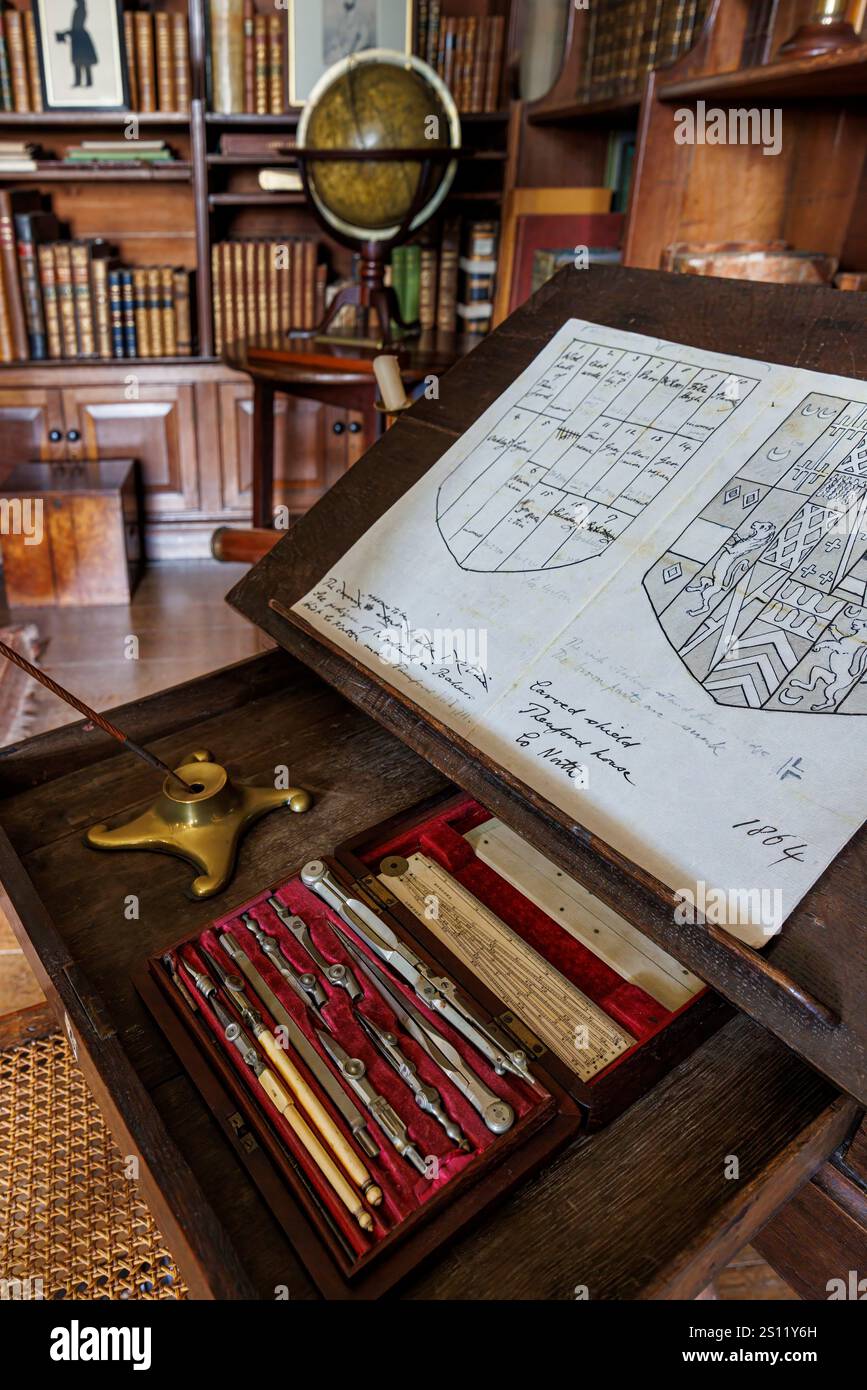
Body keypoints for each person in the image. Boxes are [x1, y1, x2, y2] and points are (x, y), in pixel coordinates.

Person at [56, 0, 98, 89]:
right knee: (77, 61)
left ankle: (88, 82)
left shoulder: (80, 10)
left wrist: (67, 32)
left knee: (84, 60)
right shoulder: (78, 9)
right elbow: (75, 27)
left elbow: (77, 26)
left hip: (80, 37)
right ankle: (79, 81)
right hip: (77, 37)